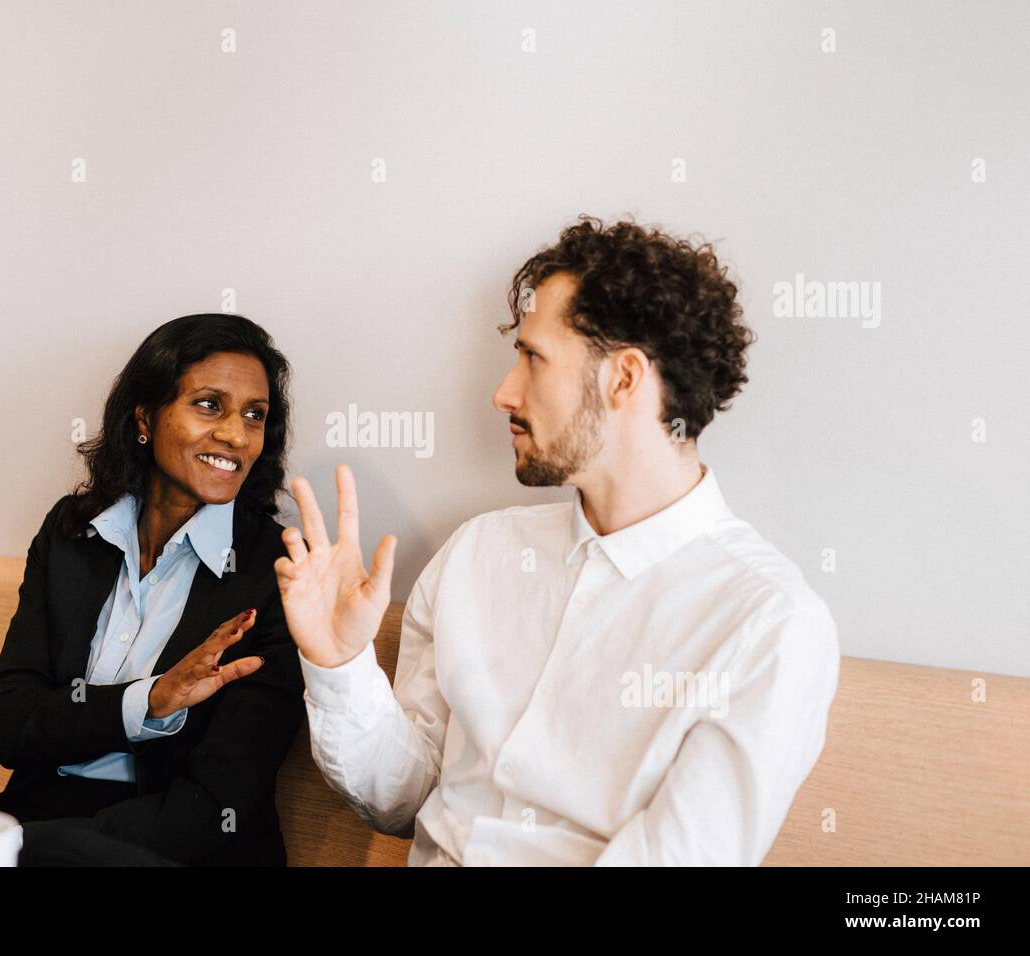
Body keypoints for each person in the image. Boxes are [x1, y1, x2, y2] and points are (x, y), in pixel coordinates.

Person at [274, 217, 841, 865]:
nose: (502, 393)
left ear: (624, 378)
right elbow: (402, 802)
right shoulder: (477, 553)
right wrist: (341, 665)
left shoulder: (768, 624)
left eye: (532, 358)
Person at [0, 313, 305, 866]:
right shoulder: (72, 532)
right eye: (209, 404)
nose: (235, 434)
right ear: (145, 416)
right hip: (39, 818)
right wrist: (147, 701)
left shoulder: (279, 570)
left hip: (180, 851)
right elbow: (9, 724)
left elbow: (217, 802)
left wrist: (53, 845)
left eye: (255, 415)